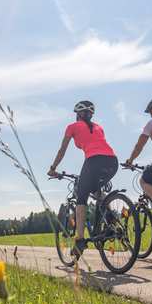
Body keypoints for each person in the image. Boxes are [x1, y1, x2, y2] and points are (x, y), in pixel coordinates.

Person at [48, 101, 118, 257]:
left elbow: (62, 150)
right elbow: (100, 146)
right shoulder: (99, 127)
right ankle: (111, 220)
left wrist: (53, 169)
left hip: (94, 161)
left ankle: (79, 240)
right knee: (96, 190)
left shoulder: (72, 127)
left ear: (77, 115)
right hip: (112, 162)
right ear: (91, 114)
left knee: (81, 196)